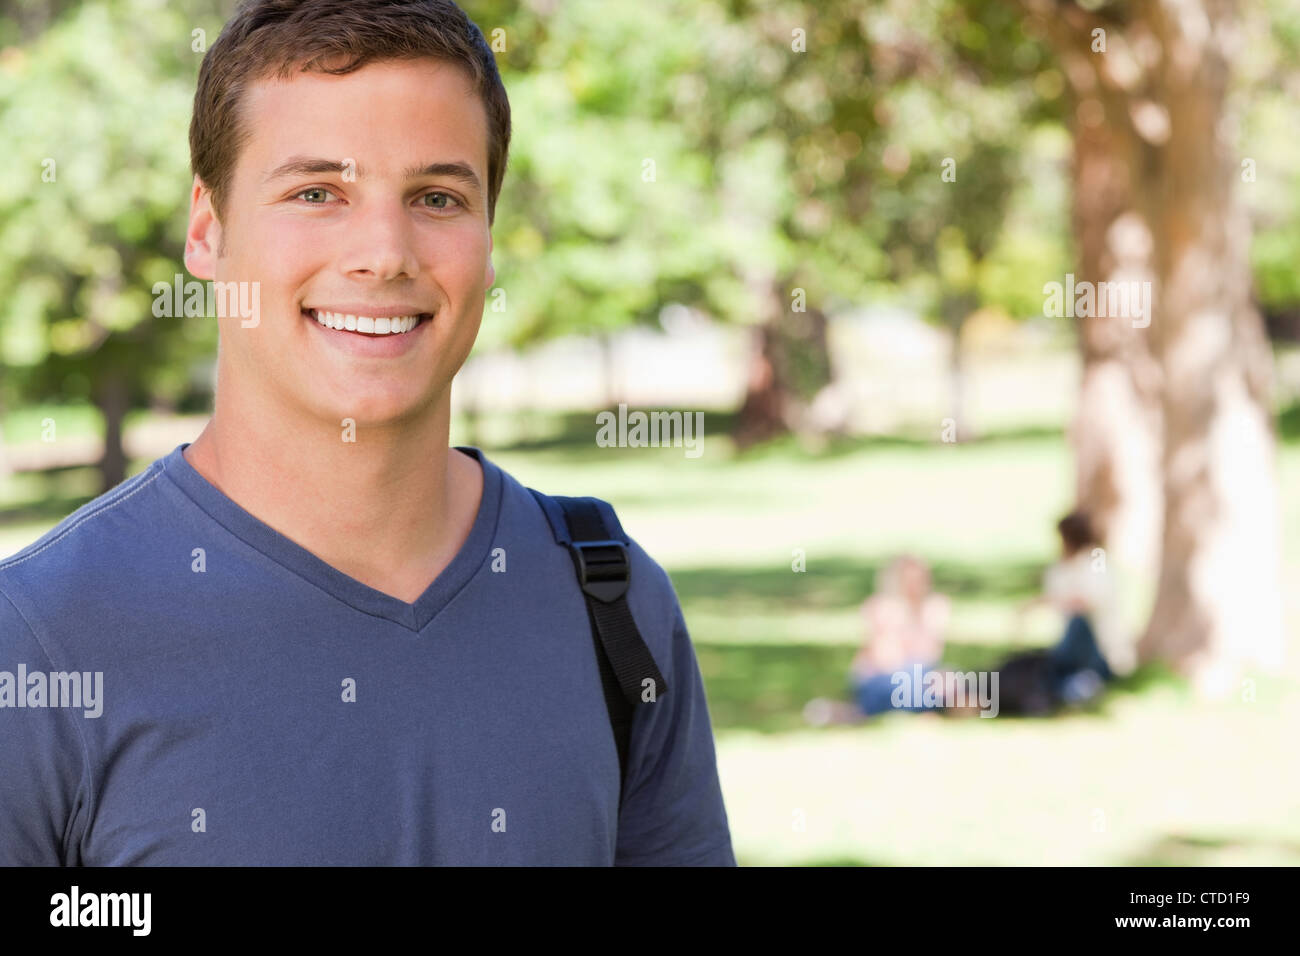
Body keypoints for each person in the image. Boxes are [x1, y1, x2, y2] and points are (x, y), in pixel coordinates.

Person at [0, 0, 734, 866]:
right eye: (317, 192)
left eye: (437, 196)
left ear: (489, 243)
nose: (384, 252)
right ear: (208, 229)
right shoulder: (38, 639)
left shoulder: (610, 601)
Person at [804, 554, 952, 725]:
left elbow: (930, 655)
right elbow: (887, 660)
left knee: (946, 679)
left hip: (918, 676)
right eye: (908, 580)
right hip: (882, 679)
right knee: (910, 683)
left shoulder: (934, 607)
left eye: (919, 579)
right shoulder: (881, 607)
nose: (914, 586)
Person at [1016, 510, 1130, 706]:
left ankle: (1077, 682)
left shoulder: (1096, 558)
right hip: (1073, 648)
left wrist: (1043, 603)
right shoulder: (1062, 567)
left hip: (1099, 647)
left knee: (1079, 623)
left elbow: (1090, 599)